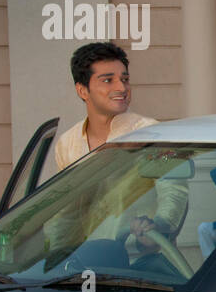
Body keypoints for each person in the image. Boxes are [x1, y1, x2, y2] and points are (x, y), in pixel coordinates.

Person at [48, 41, 187, 267]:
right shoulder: (67, 144)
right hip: (86, 264)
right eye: (108, 80)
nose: (121, 88)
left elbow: (174, 192)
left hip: (140, 264)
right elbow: (65, 212)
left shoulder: (151, 133)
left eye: (125, 79)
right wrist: (54, 263)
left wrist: (158, 227)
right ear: (82, 90)